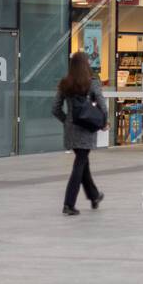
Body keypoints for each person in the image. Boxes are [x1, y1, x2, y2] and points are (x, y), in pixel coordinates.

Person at [53, 51, 108, 216]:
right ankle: (68, 204)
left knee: (83, 163)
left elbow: (55, 109)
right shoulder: (92, 83)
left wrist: (67, 121)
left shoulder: (65, 83)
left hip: (71, 130)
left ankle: (94, 196)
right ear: (86, 65)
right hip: (87, 129)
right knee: (80, 164)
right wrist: (102, 123)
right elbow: (103, 107)